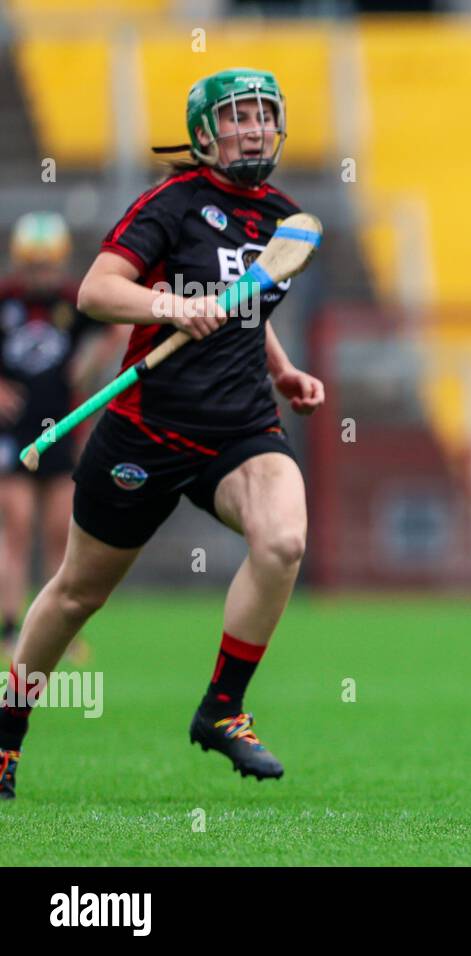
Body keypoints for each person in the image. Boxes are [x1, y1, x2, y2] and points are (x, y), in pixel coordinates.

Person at [0, 68, 325, 801]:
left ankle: (222, 707)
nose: (254, 129)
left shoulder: (284, 216)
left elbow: (251, 303)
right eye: (238, 117)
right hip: (147, 431)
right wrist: (172, 307)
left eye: (264, 115)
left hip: (241, 426)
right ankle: (5, 731)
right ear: (204, 133)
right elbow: (96, 291)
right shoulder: (170, 205)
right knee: (78, 593)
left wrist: (283, 369)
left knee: (283, 541)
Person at [1, 213, 127, 663]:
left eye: (47, 265)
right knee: (15, 528)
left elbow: (116, 325)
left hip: (64, 425)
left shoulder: (74, 302)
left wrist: (90, 364)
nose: (41, 275)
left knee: (60, 532)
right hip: (11, 432)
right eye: (33, 266)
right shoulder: (6, 301)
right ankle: (10, 628)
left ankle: (55, 631)